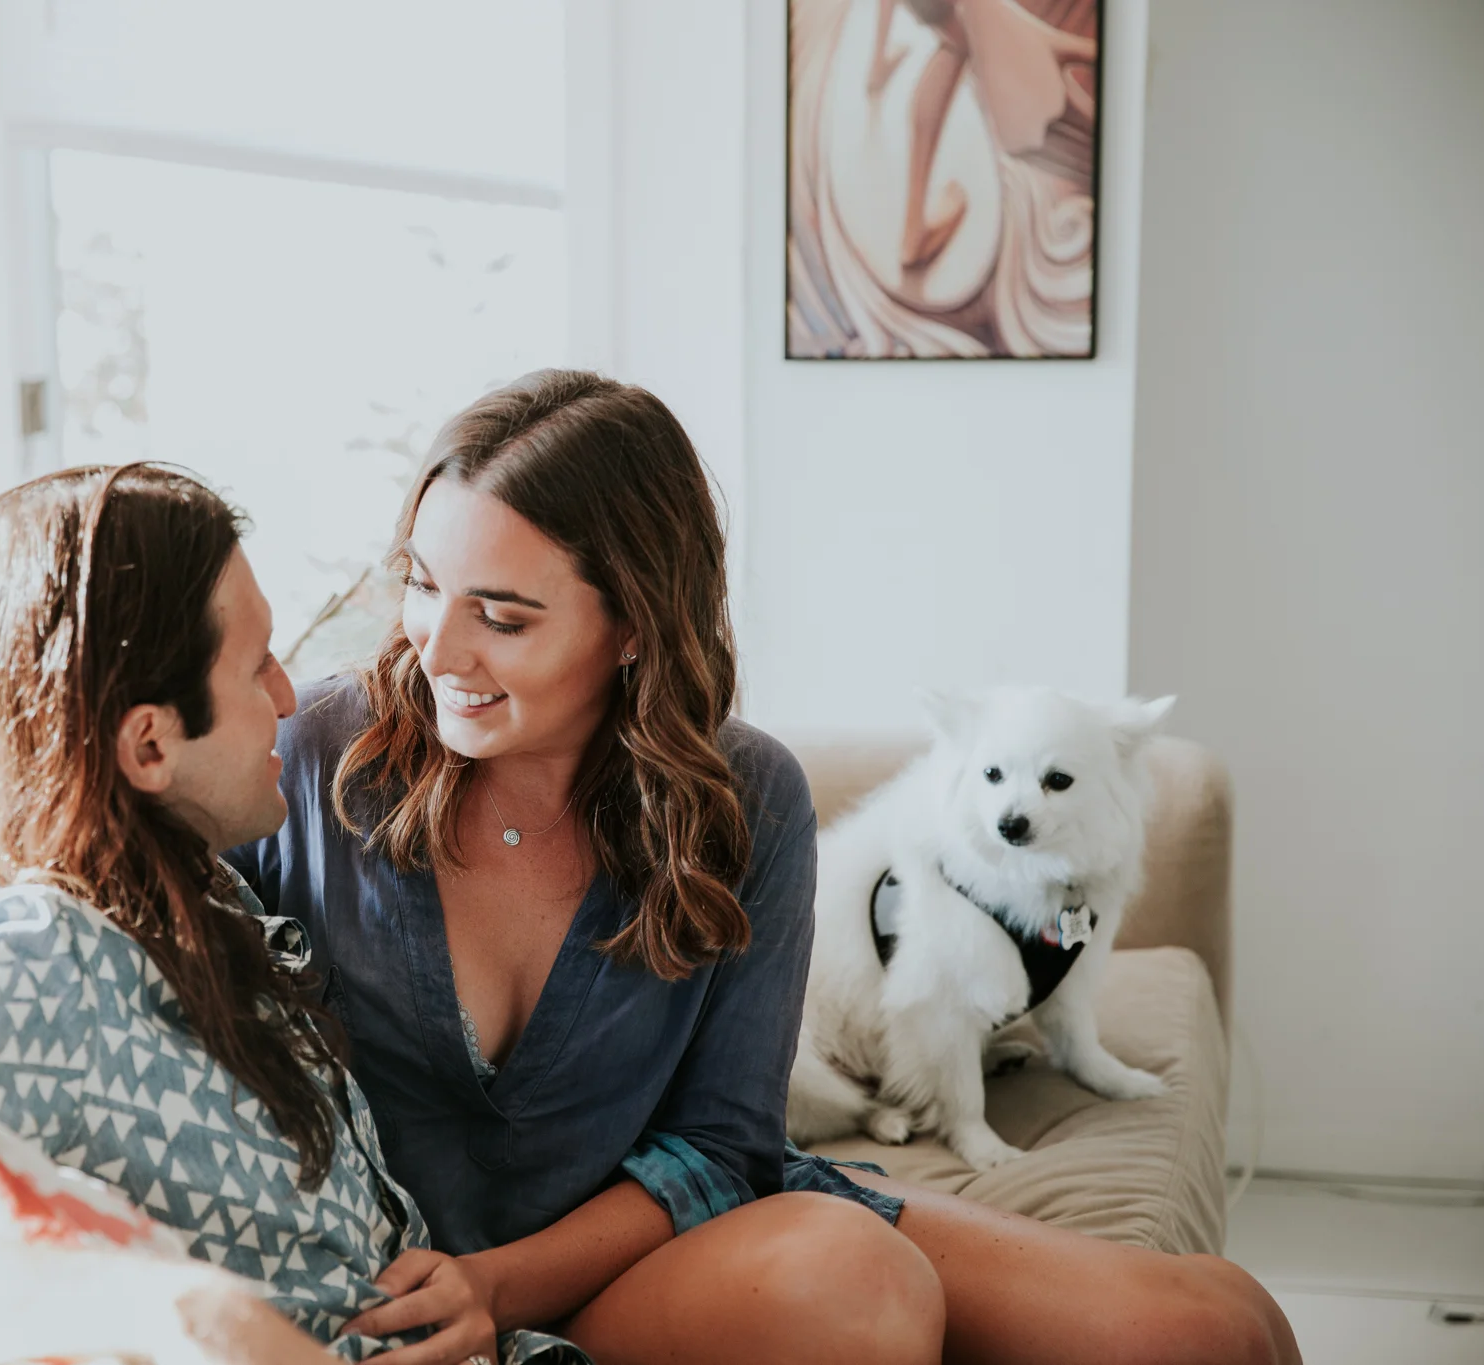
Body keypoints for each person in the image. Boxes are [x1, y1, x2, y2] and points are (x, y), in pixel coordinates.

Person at [229, 369, 1301, 1365]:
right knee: (856, 1290)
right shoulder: (308, 753)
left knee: (1219, 1328)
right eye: (421, 585)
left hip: (647, 1244)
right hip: (401, 1276)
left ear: (635, 626)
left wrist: (496, 1287)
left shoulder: (743, 796)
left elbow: (717, 1142)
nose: (438, 647)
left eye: (501, 616)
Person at [0, 463, 583, 1362]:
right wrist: (176, 1316)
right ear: (150, 743)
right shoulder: (23, 956)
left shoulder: (180, 888)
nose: (288, 698)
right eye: (256, 665)